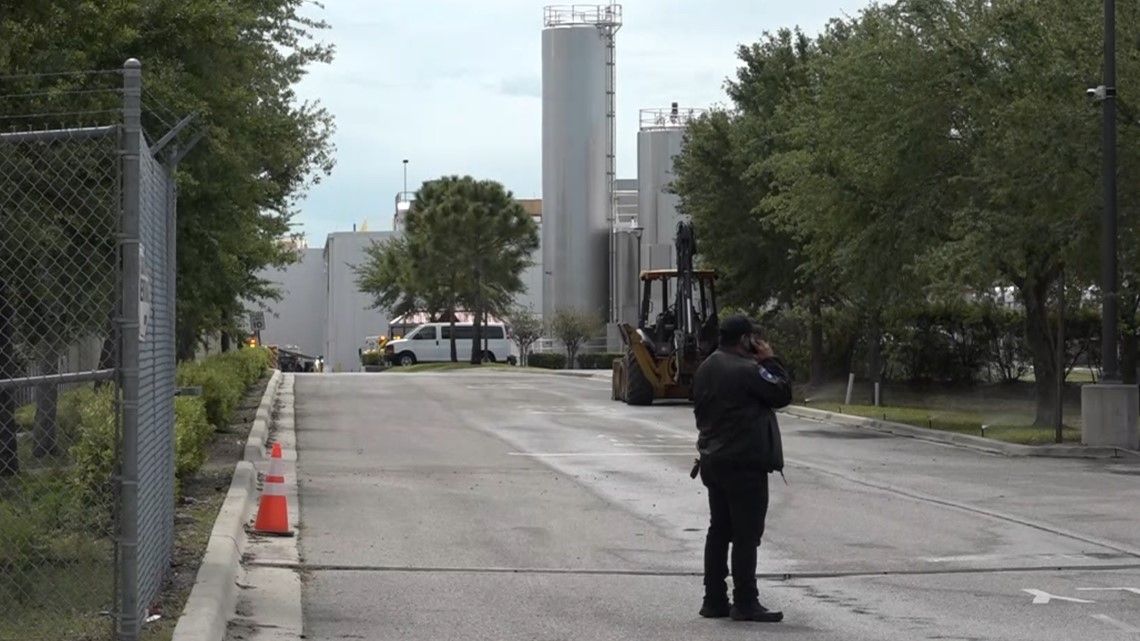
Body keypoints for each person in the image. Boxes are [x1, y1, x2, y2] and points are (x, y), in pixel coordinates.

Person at [691, 314, 792, 623]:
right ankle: (745, 600)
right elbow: (781, 394)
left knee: (719, 530)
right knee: (746, 535)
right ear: (745, 340)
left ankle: (714, 598)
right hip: (743, 464)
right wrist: (771, 361)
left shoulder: (706, 368)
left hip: (713, 460)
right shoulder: (748, 370)